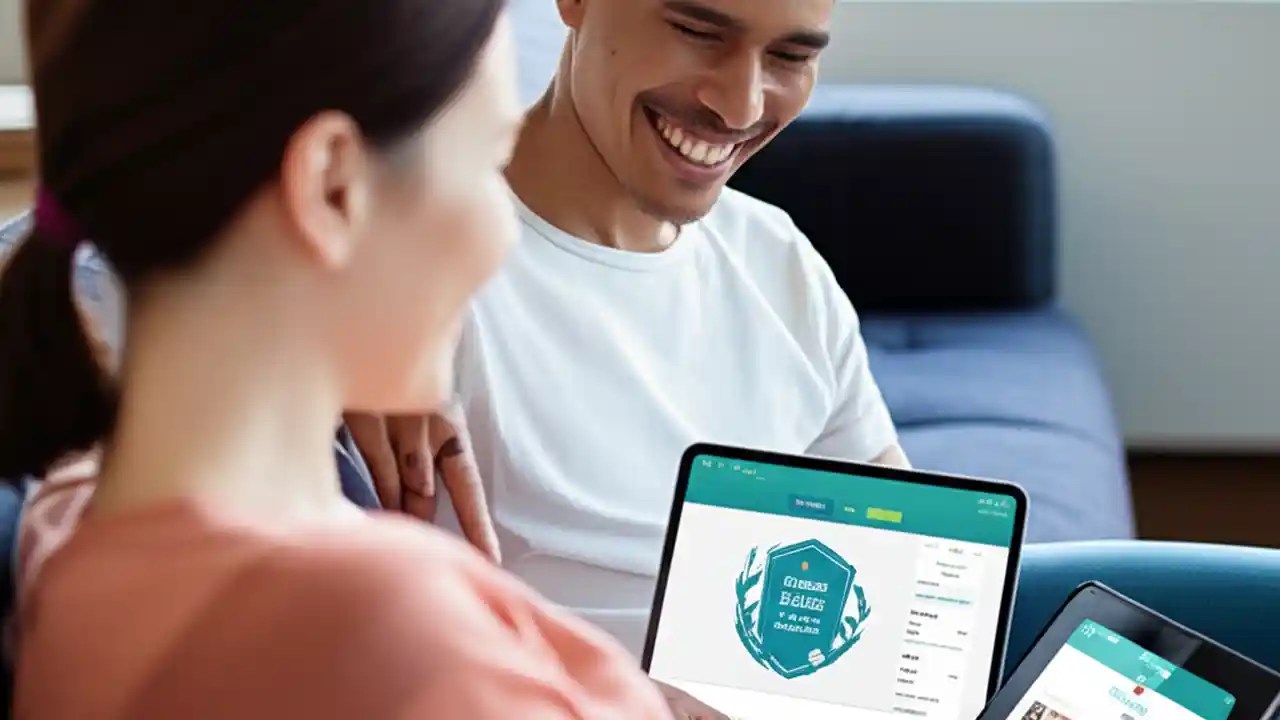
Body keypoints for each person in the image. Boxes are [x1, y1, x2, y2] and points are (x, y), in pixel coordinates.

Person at [0, 1, 672, 717]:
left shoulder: (71, 519)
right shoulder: (403, 649)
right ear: (331, 186)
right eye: (491, 163)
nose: (504, 237)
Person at [347, 0, 910, 660]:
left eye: (791, 57)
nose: (739, 108)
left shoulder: (777, 260)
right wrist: (330, 351)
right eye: (696, 32)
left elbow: (902, 567)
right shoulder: (404, 278)